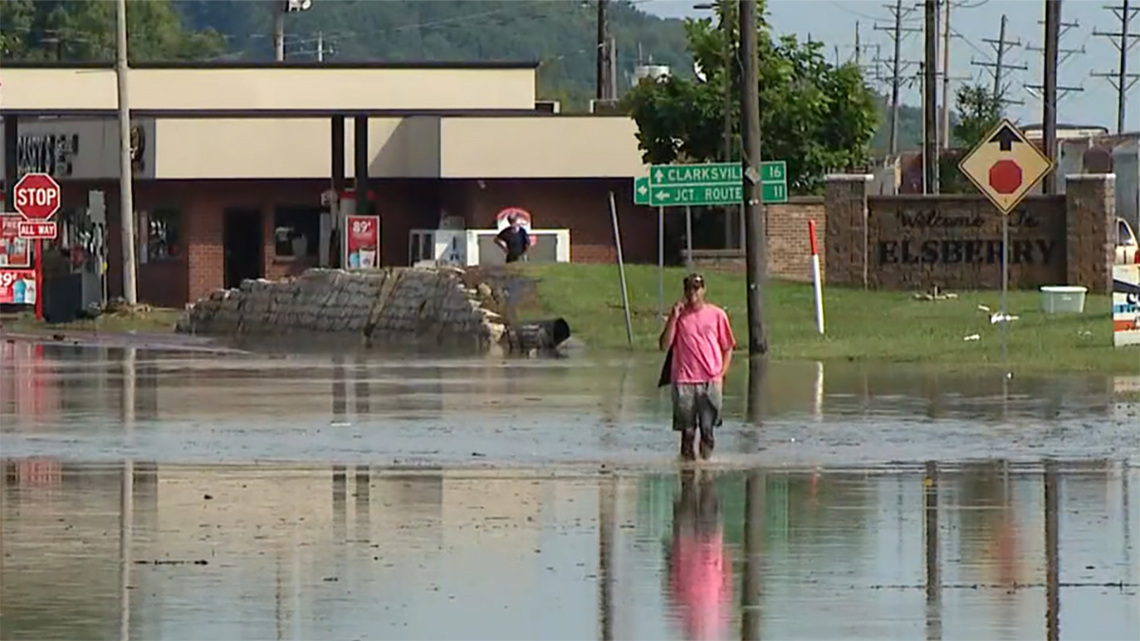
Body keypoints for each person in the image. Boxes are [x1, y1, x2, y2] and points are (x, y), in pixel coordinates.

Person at [658, 273, 736, 461]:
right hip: (683, 381)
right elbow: (664, 345)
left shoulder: (717, 315)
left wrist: (722, 373)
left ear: (703, 290)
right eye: (689, 289)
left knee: (708, 430)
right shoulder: (679, 316)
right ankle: (688, 471)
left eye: (696, 288)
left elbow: (728, 347)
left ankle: (706, 466)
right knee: (688, 432)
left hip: (710, 380)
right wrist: (673, 318)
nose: (692, 293)